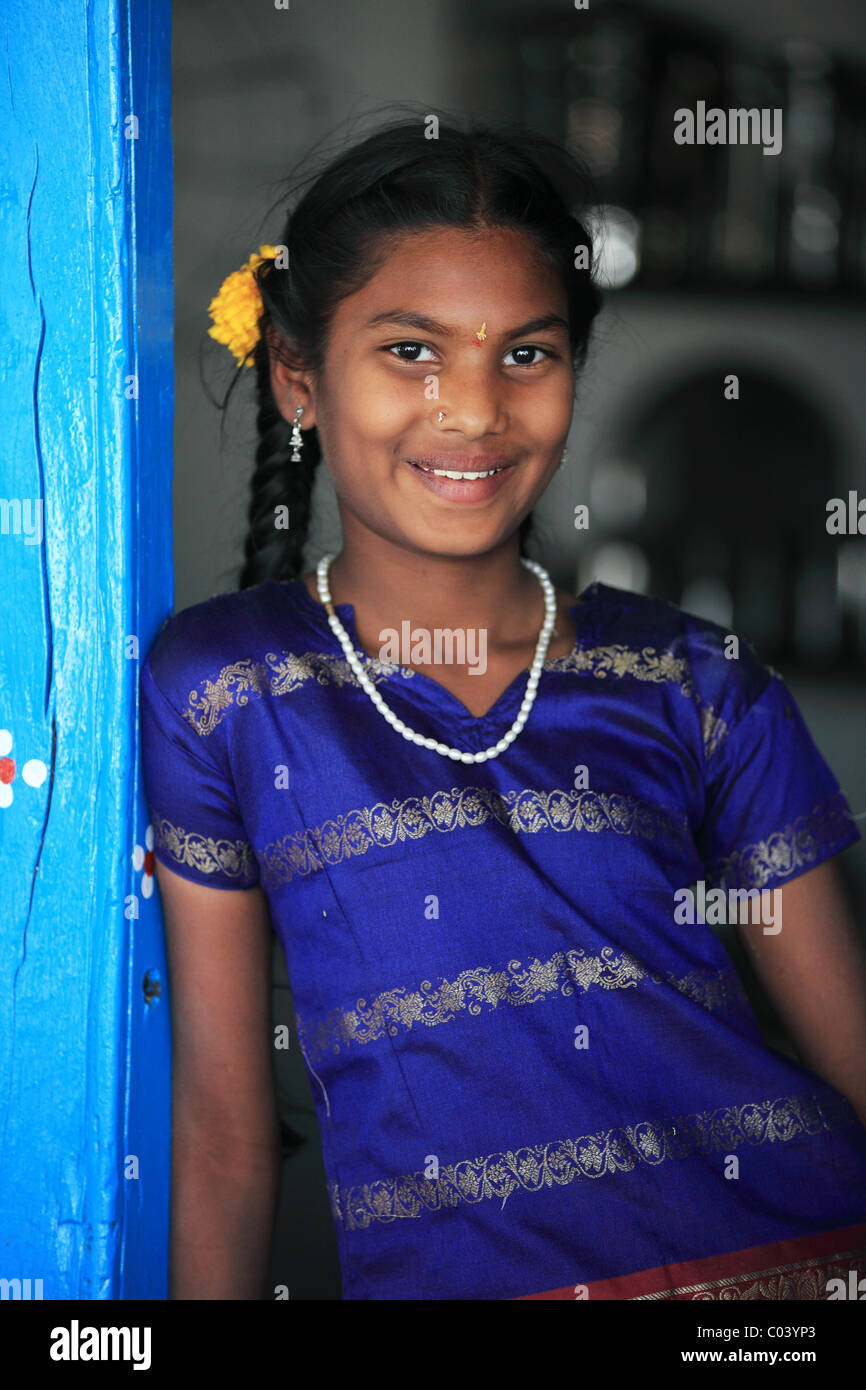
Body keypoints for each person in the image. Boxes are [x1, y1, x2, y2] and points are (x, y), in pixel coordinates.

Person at [140, 118, 866, 1301]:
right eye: (410, 350)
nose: (473, 409)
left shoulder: (694, 680)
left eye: (525, 353)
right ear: (296, 375)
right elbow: (223, 1136)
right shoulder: (222, 686)